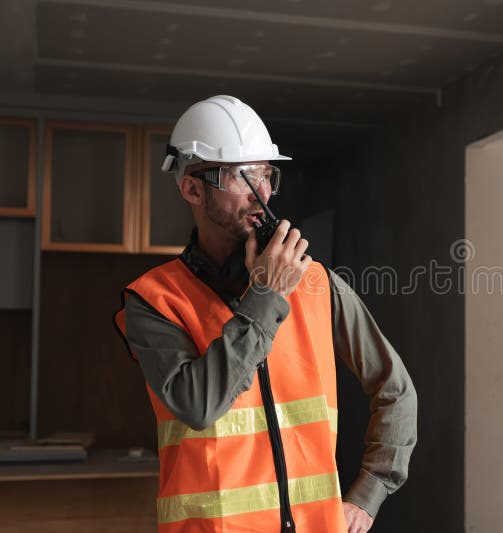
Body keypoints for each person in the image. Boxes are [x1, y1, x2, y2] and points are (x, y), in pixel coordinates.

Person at [114, 95, 417, 533]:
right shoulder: (153, 300)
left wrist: (367, 496)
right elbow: (197, 406)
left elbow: (396, 390)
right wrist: (267, 294)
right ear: (192, 188)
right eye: (244, 176)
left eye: (266, 174)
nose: (264, 192)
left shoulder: (314, 284)